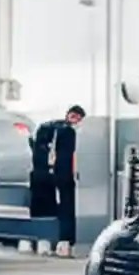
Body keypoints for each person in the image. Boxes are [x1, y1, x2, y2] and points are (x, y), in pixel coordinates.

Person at [31, 105, 86, 256]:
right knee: (66, 206)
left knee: (45, 206)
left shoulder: (46, 127)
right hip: (63, 175)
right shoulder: (70, 132)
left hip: (42, 174)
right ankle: (65, 241)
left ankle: (44, 241)